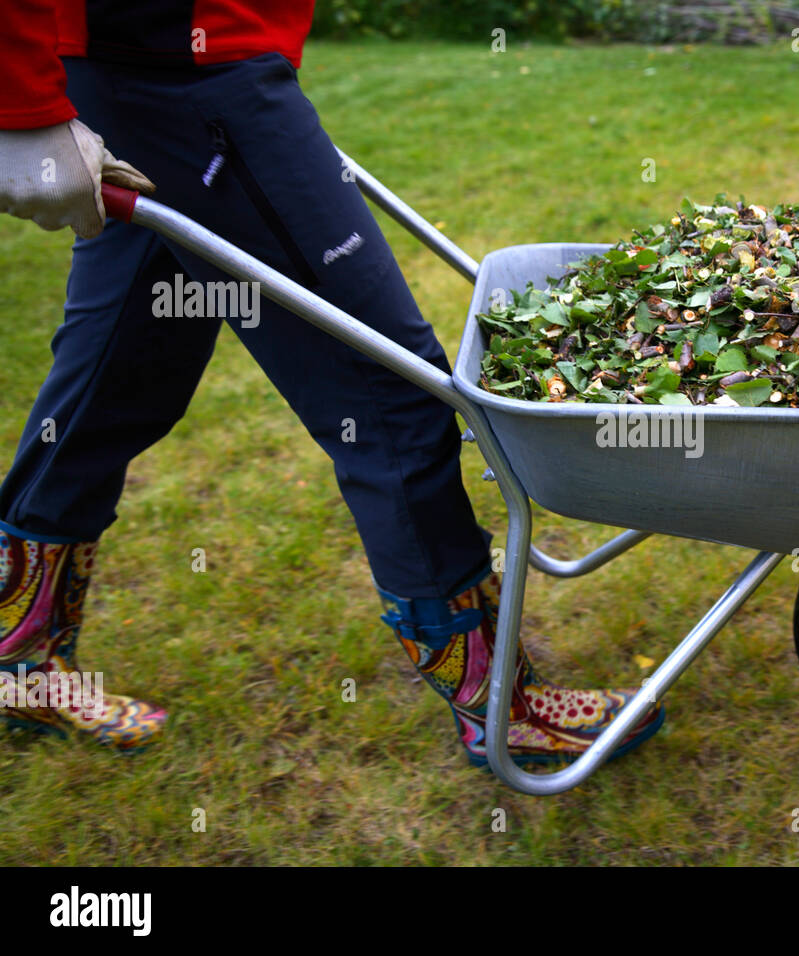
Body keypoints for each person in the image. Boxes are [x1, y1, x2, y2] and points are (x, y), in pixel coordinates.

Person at [0, 1, 664, 763]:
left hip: (155, 69)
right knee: (389, 391)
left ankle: (19, 656)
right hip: (185, 68)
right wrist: (17, 103)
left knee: (120, 377)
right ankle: (500, 706)